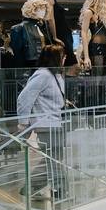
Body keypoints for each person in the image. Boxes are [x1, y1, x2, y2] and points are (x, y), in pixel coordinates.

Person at [16, 44, 67, 201]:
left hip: (56, 124)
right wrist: (23, 123)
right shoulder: (43, 75)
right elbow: (24, 98)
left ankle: (31, 187)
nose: (64, 59)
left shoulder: (55, 75)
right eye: (62, 56)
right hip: (46, 125)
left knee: (53, 158)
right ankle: (59, 190)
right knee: (54, 159)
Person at [40, 0, 75, 66]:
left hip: (61, 34)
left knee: (64, 60)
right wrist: (55, 37)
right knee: (68, 62)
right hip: (60, 35)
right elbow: (50, 19)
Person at [8, 0, 48, 70]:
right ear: (33, 10)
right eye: (41, 9)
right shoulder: (18, 28)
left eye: (44, 9)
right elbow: (17, 52)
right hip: (29, 65)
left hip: (42, 63)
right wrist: (21, 71)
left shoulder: (40, 27)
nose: (44, 11)